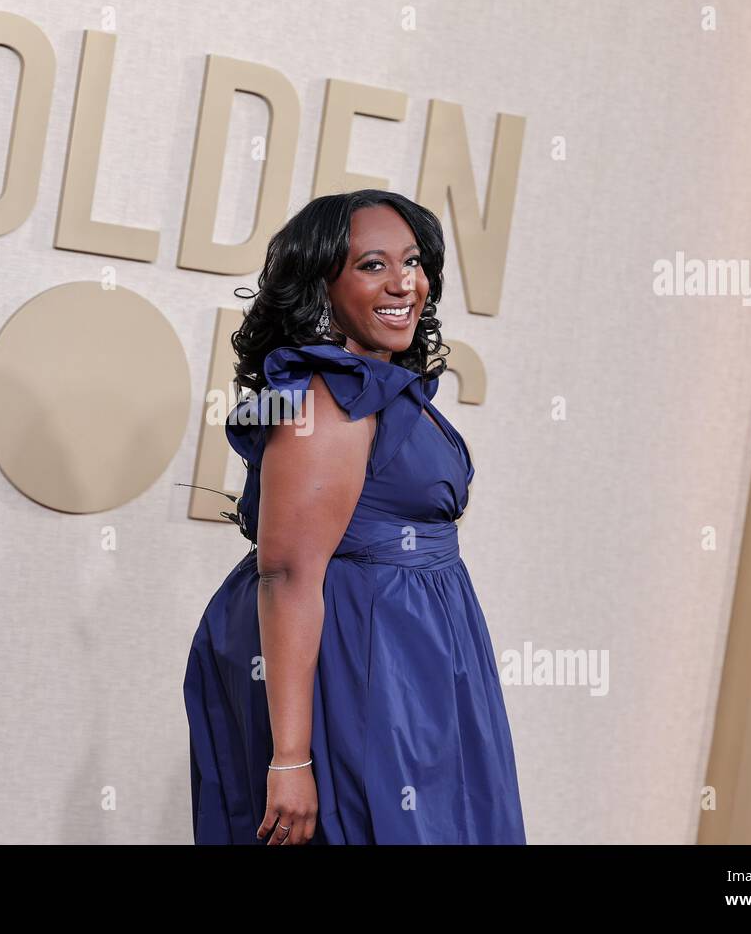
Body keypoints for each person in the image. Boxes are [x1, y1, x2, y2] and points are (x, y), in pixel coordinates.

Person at [182, 189, 526, 845]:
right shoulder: (332, 399)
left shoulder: (383, 386)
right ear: (323, 285)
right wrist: (291, 759)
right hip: (364, 669)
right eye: (372, 265)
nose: (404, 283)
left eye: (413, 261)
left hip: (419, 660)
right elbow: (286, 575)